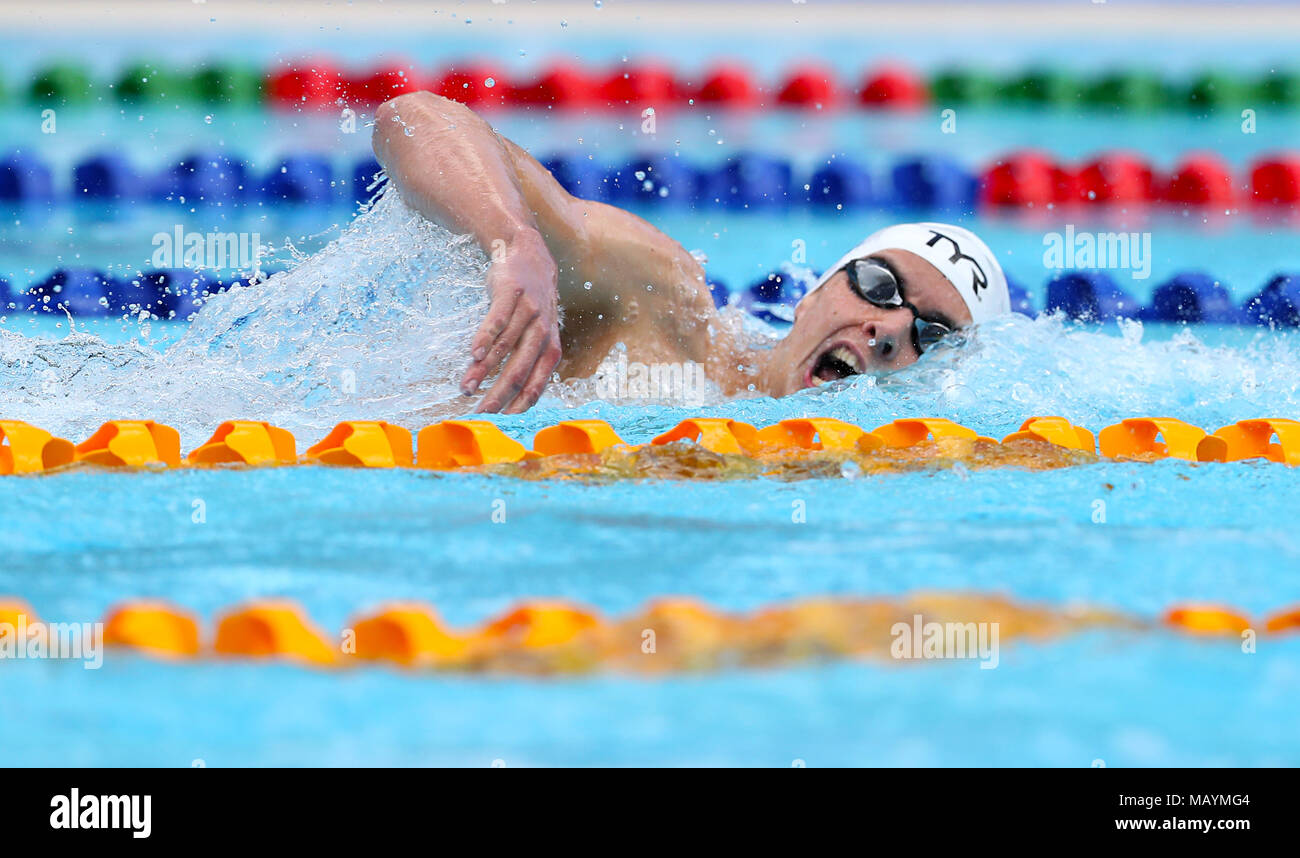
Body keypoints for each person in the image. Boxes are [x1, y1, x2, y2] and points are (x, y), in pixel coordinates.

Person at [373, 91, 1011, 414]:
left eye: (931, 334)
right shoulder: (658, 302)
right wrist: (513, 237)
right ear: (814, 293)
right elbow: (412, 118)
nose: (889, 329)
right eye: (877, 283)